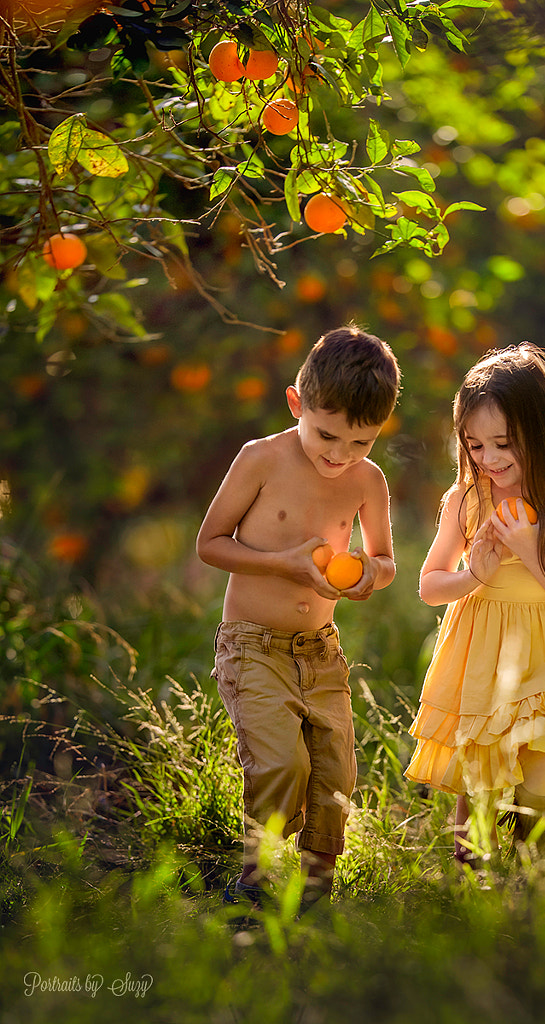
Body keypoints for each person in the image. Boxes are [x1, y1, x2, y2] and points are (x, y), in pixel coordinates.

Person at [197, 326, 401, 911]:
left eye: (361, 442)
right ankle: (255, 878)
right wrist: (282, 564)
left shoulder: (368, 480)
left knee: (335, 770)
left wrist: (368, 573)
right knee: (281, 763)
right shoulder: (261, 458)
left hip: (319, 650)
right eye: (327, 435)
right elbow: (210, 544)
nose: (340, 454)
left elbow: (386, 561)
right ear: (296, 403)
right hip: (252, 644)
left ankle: (315, 889)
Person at [404, 342, 545, 863]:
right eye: (475, 445)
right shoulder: (466, 498)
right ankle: (474, 883)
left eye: (503, 443)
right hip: (482, 655)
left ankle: (539, 879)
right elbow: (430, 585)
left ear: (539, 430)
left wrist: (529, 549)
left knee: (542, 777)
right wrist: (473, 576)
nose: (489, 459)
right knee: (479, 781)